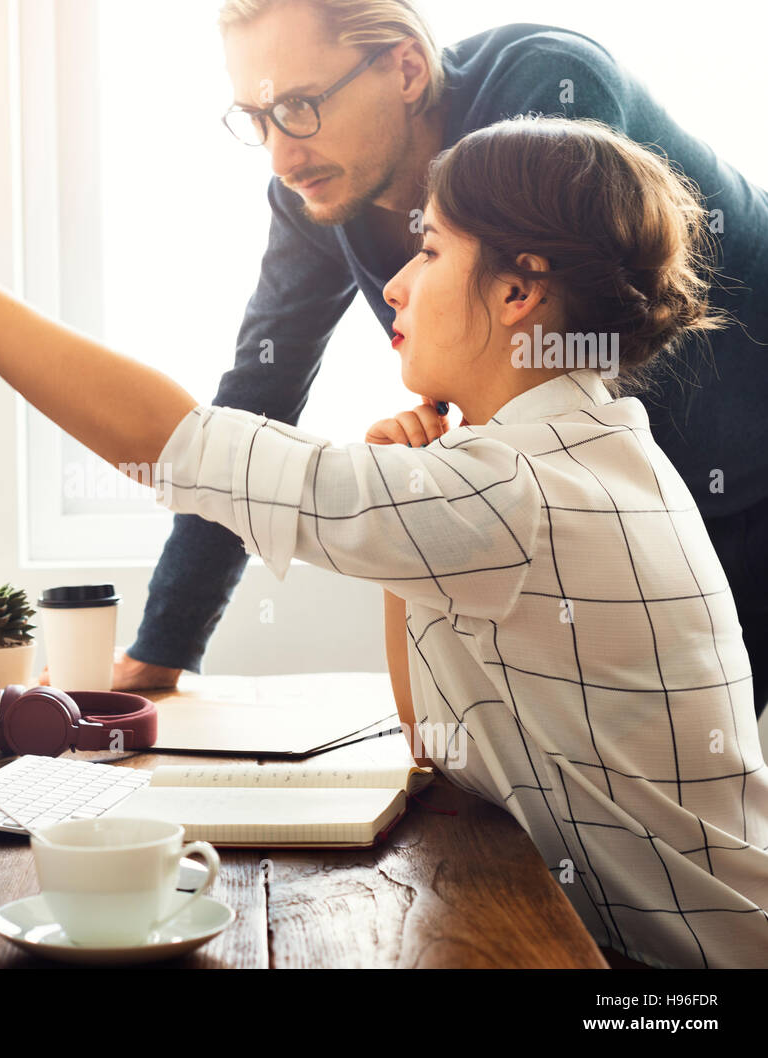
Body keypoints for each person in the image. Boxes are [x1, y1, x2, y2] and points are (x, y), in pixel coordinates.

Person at [0, 110, 768, 968]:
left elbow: (171, 445)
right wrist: (410, 555)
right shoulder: (582, 450)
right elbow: (431, 737)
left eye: (432, 250)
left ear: (520, 289)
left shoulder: (512, 489)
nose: (397, 283)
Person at [100, 1, 768, 719]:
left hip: (723, 463)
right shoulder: (317, 189)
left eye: (298, 106)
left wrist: (434, 477)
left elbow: (553, 362)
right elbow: (259, 389)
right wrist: (163, 648)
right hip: (610, 519)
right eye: (257, 119)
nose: (281, 156)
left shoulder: (546, 93)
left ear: (408, 68)